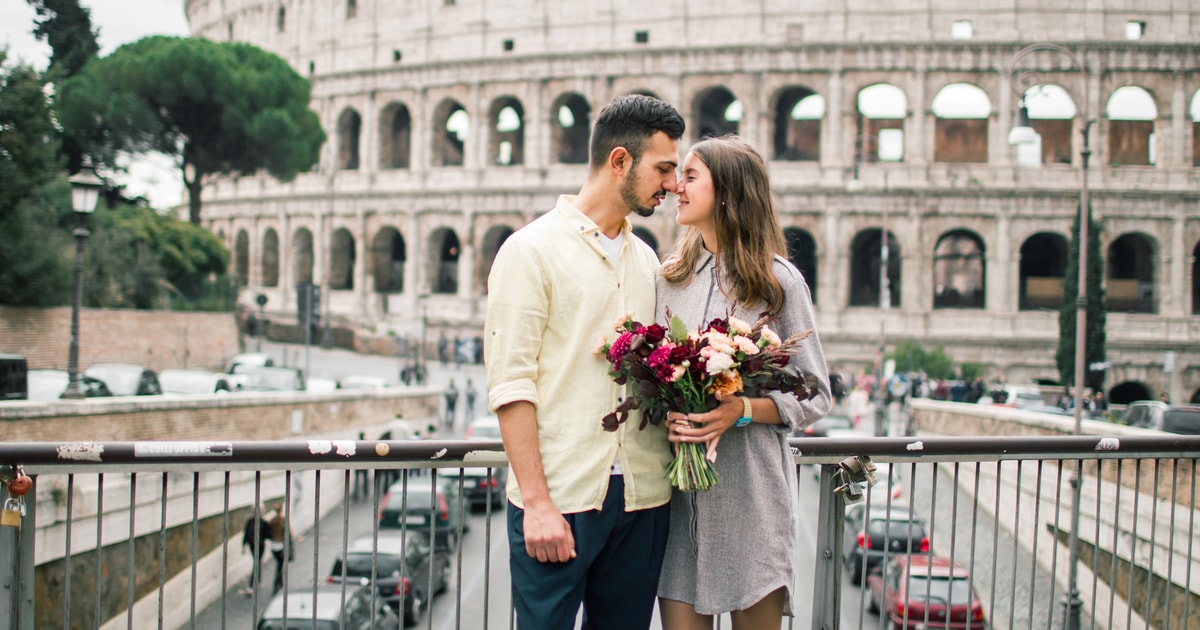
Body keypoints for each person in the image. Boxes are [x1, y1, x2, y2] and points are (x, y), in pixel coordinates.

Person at [484, 94, 685, 629]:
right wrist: (537, 502)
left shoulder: (648, 263)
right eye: (663, 169)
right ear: (620, 161)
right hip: (560, 499)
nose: (671, 184)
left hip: (643, 497)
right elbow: (511, 385)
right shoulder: (529, 251)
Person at [655, 136, 832, 630]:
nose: (676, 188)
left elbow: (816, 392)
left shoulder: (778, 282)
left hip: (751, 498)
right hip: (680, 501)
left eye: (690, 177)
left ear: (728, 192)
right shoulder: (672, 278)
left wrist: (743, 410)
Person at [239, 507, 272, 596]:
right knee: (257, 562)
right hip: (256, 545)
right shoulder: (259, 522)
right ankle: (255, 583)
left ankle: (255, 583)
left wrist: (244, 546)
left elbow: (246, 534)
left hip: (256, 545)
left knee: (257, 562)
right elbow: (246, 534)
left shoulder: (255, 522)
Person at [267, 503, 293, 594]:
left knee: (279, 565)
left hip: (273, 546)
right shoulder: (282, 520)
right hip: (280, 546)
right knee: (280, 566)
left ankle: (280, 583)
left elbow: (268, 531)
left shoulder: (272, 520)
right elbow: (288, 534)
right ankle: (277, 584)